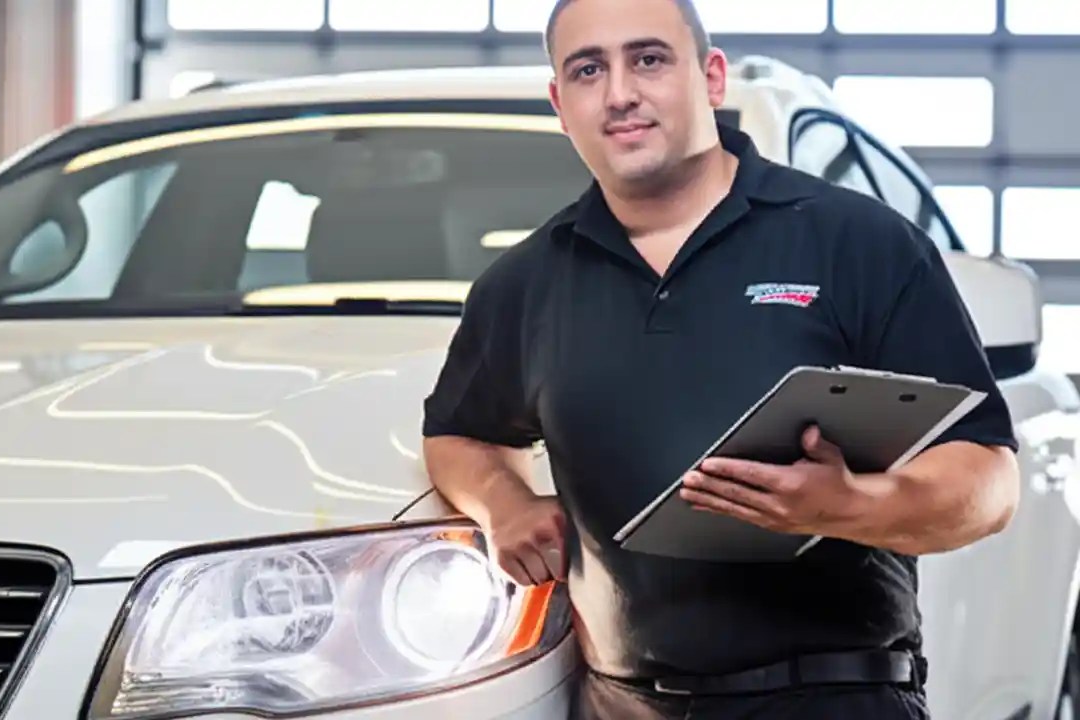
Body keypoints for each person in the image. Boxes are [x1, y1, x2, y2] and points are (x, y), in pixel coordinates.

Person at [420, 0, 1022, 718]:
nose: (619, 93)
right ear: (561, 103)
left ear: (710, 78)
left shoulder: (853, 241)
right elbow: (457, 433)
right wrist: (504, 503)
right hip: (621, 704)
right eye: (588, 70)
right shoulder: (523, 285)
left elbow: (988, 476)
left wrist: (855, 507)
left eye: (648, 59)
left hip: (835, 698)